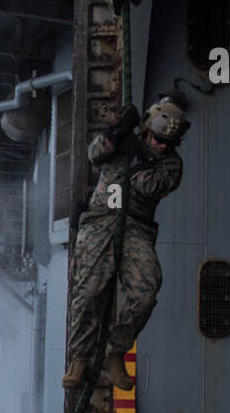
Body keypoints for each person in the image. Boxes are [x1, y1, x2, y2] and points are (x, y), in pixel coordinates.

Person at [64, 97, 187, 391]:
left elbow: (152, 185)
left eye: (168, 143)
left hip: (135, 227)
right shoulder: (124, 142)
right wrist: (117, 132)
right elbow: (94, 154)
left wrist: (138, 159)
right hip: (100, 219)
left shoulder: (171, 164)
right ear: (147, 130)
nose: (162, 146)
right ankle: (80, 357)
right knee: (89, 290)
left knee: (146, 289)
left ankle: (115, 351)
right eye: (158, 140)